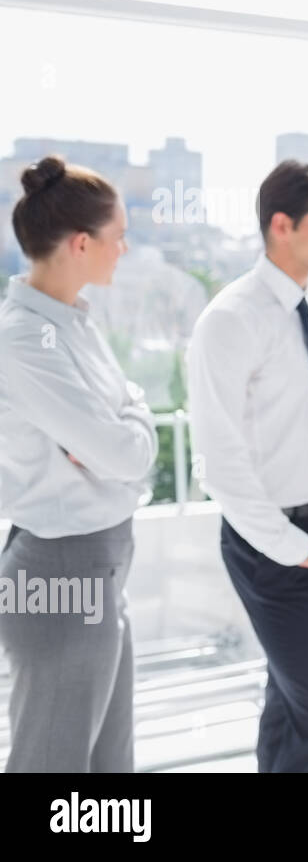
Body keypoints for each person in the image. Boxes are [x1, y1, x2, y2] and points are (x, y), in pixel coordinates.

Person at [186, 159, 308, 773]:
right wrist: (293, 546)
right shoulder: (231, 319)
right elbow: (218, 459)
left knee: (289, 702)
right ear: (282, 225)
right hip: (270, 545)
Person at [0, 155, 157, 772]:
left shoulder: (75, 323)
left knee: (108, 768)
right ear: (83, 243)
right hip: (61, 571)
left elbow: (126, 433)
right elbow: (124, 451)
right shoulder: (22, 339)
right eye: (119, 236)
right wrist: (124, 428)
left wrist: (126, 422)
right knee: (52, 768)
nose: (125, 248)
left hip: (102, 566)